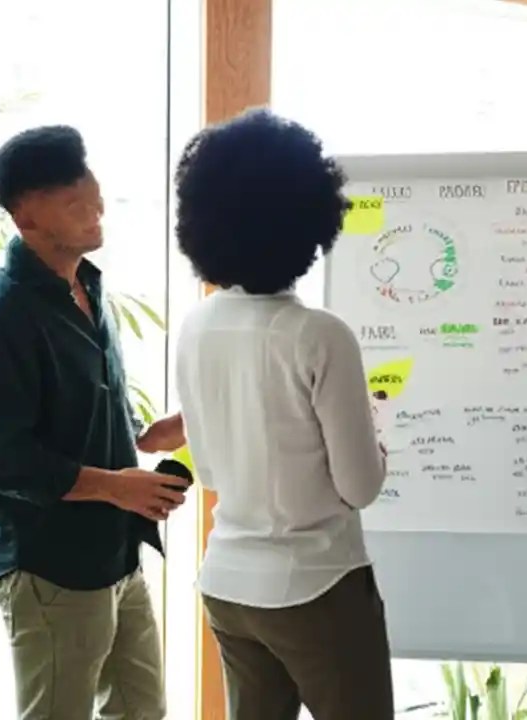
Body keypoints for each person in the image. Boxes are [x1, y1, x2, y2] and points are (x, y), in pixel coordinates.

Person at [0, 126, 183, 720]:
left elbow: (99, 416)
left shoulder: (87, 287)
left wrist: (164, 433)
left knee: (142, 710)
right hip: (48, 564)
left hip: (114, 550)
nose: (95, 212)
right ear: (24, 215)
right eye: (76, 204)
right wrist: (116, 487)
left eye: (96, 197)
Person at [159, 108, 392, 720]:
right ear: (309, 220)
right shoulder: (318, 336)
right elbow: (360, 486)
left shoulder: (196, 327)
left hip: (228, 584)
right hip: (316, 585)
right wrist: (378, 438)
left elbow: (209, 468)